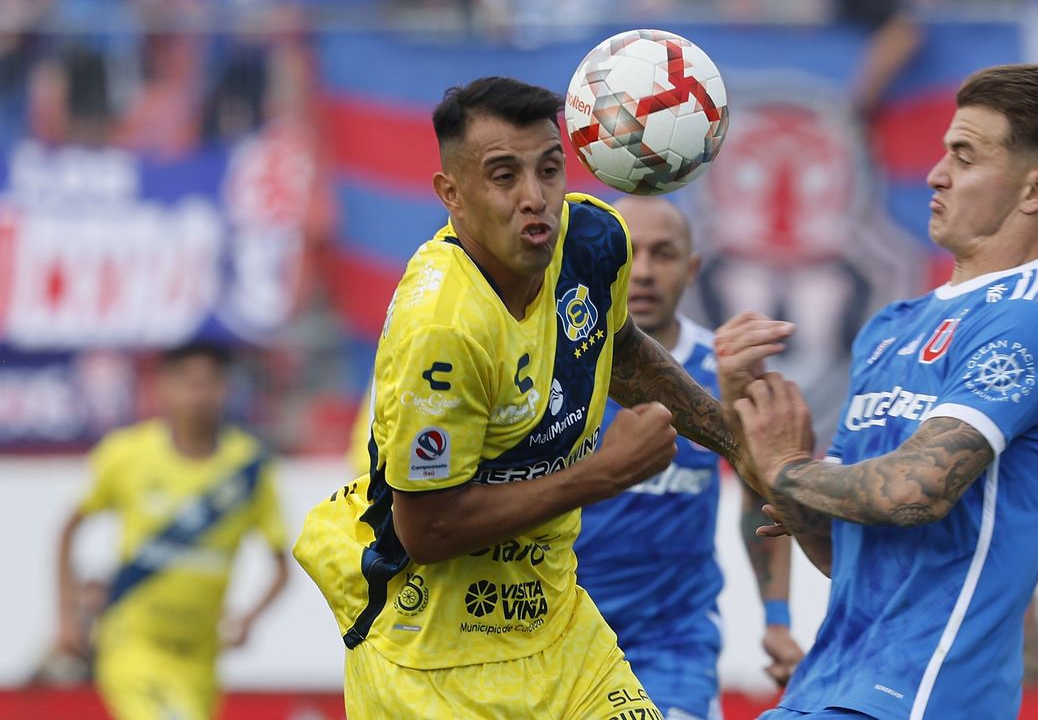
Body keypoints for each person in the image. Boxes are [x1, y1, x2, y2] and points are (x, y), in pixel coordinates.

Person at [292, 76, 751, 719]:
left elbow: (616, 346)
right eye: (503, 176)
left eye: (550, 168)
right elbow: (427, 527)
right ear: (452, 193)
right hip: (432, 657)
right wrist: (605, 473)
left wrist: (742, 445)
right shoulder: (441, 326)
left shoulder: (593, 241)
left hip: (561, 629)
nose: (536, 199)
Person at [716, 63, 1038, 719]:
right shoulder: (891, 329)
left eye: (964, 155)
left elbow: (913, 490)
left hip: (928, 696)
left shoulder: (1035, 321)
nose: (936, 174)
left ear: (1035, 189)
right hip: (825, 689)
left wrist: (789, 469)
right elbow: (841, 552)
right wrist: (742, 408)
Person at [575, 195, 805, 719]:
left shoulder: (724, 374)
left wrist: (776, 619)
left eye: (665, 254)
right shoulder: (559, 370)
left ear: (692, 268)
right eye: (629, 254)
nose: (646, 272)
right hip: (563, 631)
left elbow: (758, 504)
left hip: (674, 642)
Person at [55, 342, 291, 720]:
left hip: (200, 658)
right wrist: (66, 618)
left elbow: (282, 565)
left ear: (226, 389)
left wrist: (249, 618)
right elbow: (69, 528)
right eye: (189, 382)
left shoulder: (248, 469)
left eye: (210, 382)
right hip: (132, 647)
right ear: (164, 388)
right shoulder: (127, 454)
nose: (199, 395)